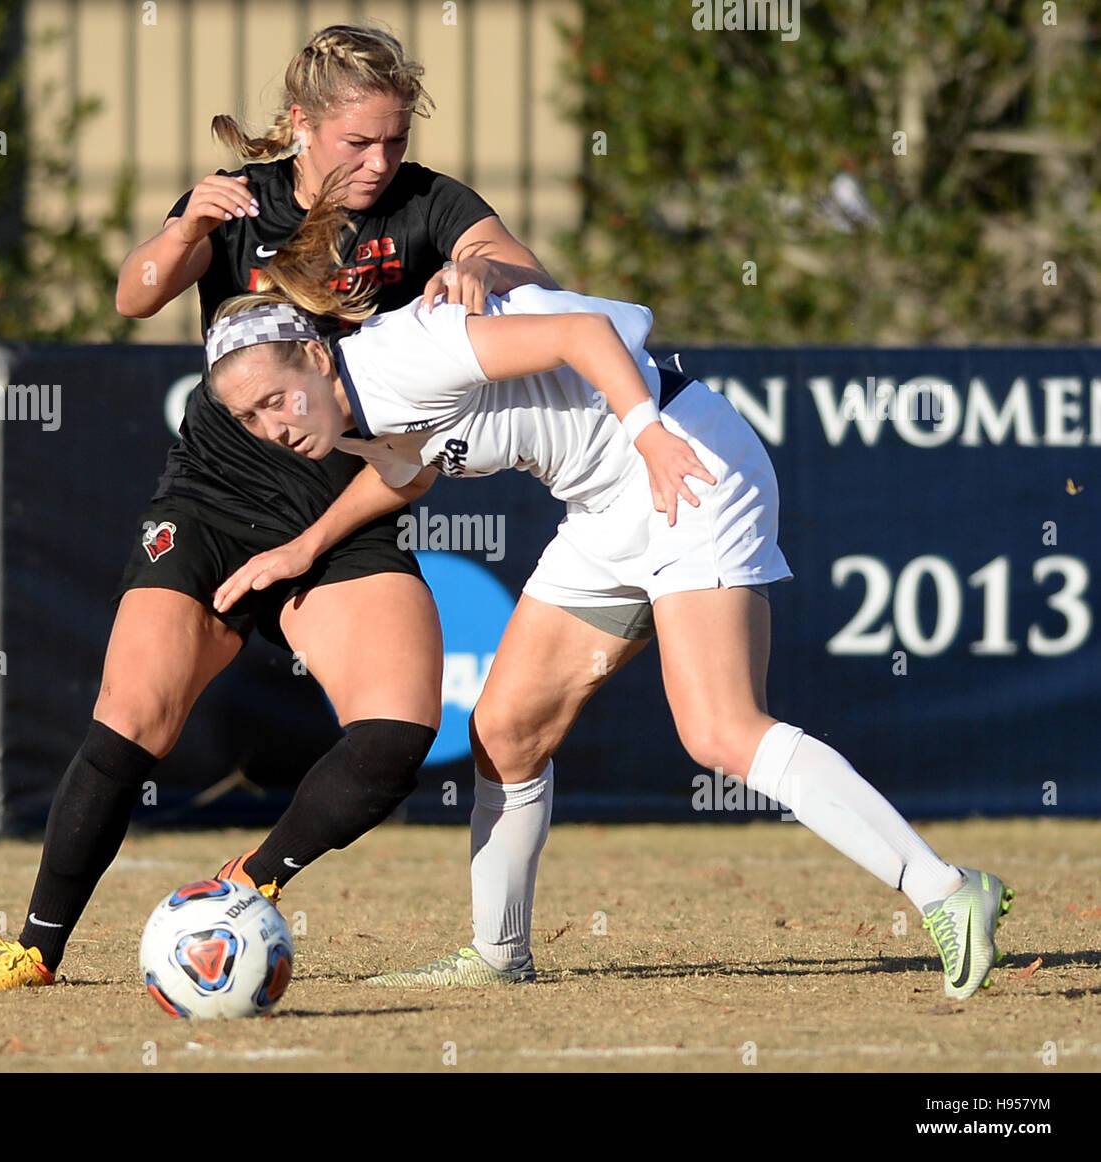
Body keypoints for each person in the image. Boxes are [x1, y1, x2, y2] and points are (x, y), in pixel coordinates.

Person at [201, 205, 1014, 1002]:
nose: (271, 425)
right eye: (248, 417)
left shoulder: (395, 358)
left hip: (681, 463)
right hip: (602, 506)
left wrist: (649, 435)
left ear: (313, 354)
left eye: (276, 399)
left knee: (721, 731)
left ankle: (945, 891)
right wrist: (305, 548)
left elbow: (582, 335)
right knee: (506, 734)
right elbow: (409, 470)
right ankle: (498, 954)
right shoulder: (344, 412)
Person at [0, 24, 559, 991]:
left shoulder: (428, 204)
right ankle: (35, 946)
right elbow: (135, 296)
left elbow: (520, 262)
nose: (380, 160)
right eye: (358, 141)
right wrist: (186, 227)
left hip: (348, 506)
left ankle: (249, 883)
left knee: (398, 739)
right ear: (302, 125)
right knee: (132, 716)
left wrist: (484, 270)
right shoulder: (242, 201)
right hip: (215, 498)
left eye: (394, 139)